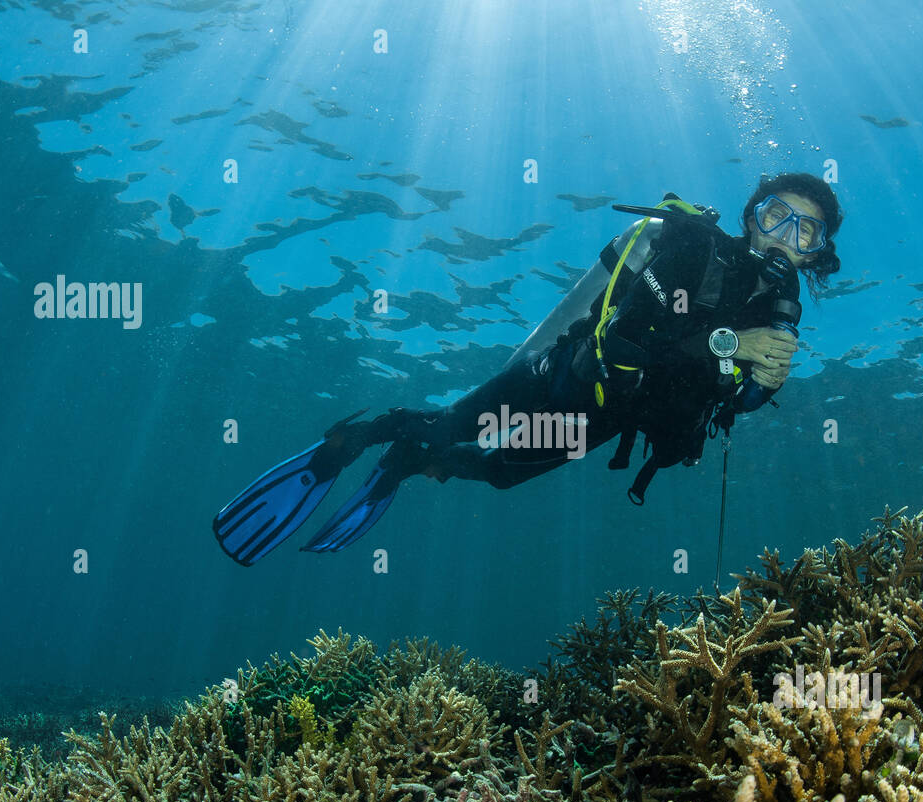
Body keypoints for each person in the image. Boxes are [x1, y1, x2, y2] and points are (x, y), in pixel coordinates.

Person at [214, 173, 843, 564]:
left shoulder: (780, 313)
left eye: (806, 231)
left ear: (818, 255)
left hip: (601, 420)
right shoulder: (692, 251)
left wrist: (756, 387)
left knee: (499, 474)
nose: (786, 235)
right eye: (775, 215)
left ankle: (407, 462)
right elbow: (622, 342)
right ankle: (361, 439)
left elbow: (720, 400)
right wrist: (729, 345)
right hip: (562, 375)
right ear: (749, 217)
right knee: (455, 424)